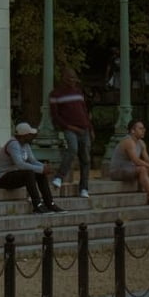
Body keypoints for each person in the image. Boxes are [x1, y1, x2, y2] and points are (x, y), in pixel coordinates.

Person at [48, 64, 94, 198]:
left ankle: (84, 188)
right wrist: (69, 127)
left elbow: (84, 111)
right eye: (69, 77)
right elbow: (55, 116)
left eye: (74, 78)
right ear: (63, 78)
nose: (72, 80)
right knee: (72, 149)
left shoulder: (78, 92)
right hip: (70, 128)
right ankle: (59, 176)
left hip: (84, 129)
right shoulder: (55, 94)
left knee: (86, 159)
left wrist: (90, 128)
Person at [0, 121, 57, 213]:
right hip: (1, 178)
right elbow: (20, 164)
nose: (32, 137)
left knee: (39, 174)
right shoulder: (13, 144)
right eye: (30, 135)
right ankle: (37, 205)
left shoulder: (25, 144)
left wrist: (44, 167)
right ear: (24, 135)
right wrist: (41, 169)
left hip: (14, 175)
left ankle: (50, 203)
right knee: (29, 173)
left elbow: (33, 161)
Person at [107, 120, 149, 204]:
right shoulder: (128, 141)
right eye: (140, 128)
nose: (144, 130)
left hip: (130, 169)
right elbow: (136, 161)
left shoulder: (141, 143)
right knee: (142, 169)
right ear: (132, 131)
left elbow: (147, 159)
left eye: (144, 128)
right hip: (117, 171)